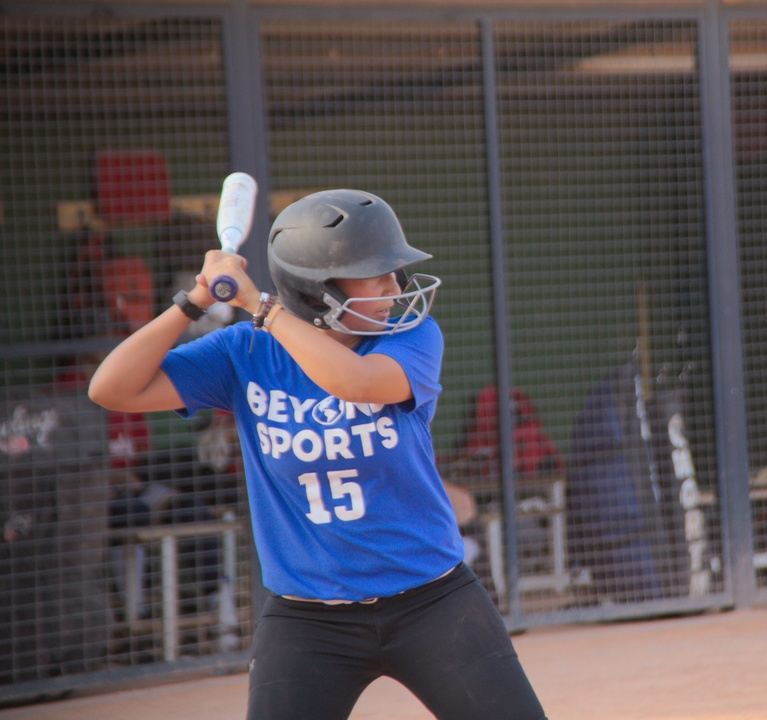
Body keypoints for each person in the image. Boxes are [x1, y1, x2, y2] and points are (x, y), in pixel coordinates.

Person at [88, 188, 547, 720]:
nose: (395, 288)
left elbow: (353, 382)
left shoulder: (412, 338)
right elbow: (112, 388)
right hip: (308, 620)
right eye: (377, 274)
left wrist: (262, 307)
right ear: (319, 293)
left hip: (433, 601)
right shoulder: (244, 354)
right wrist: (194, 299)